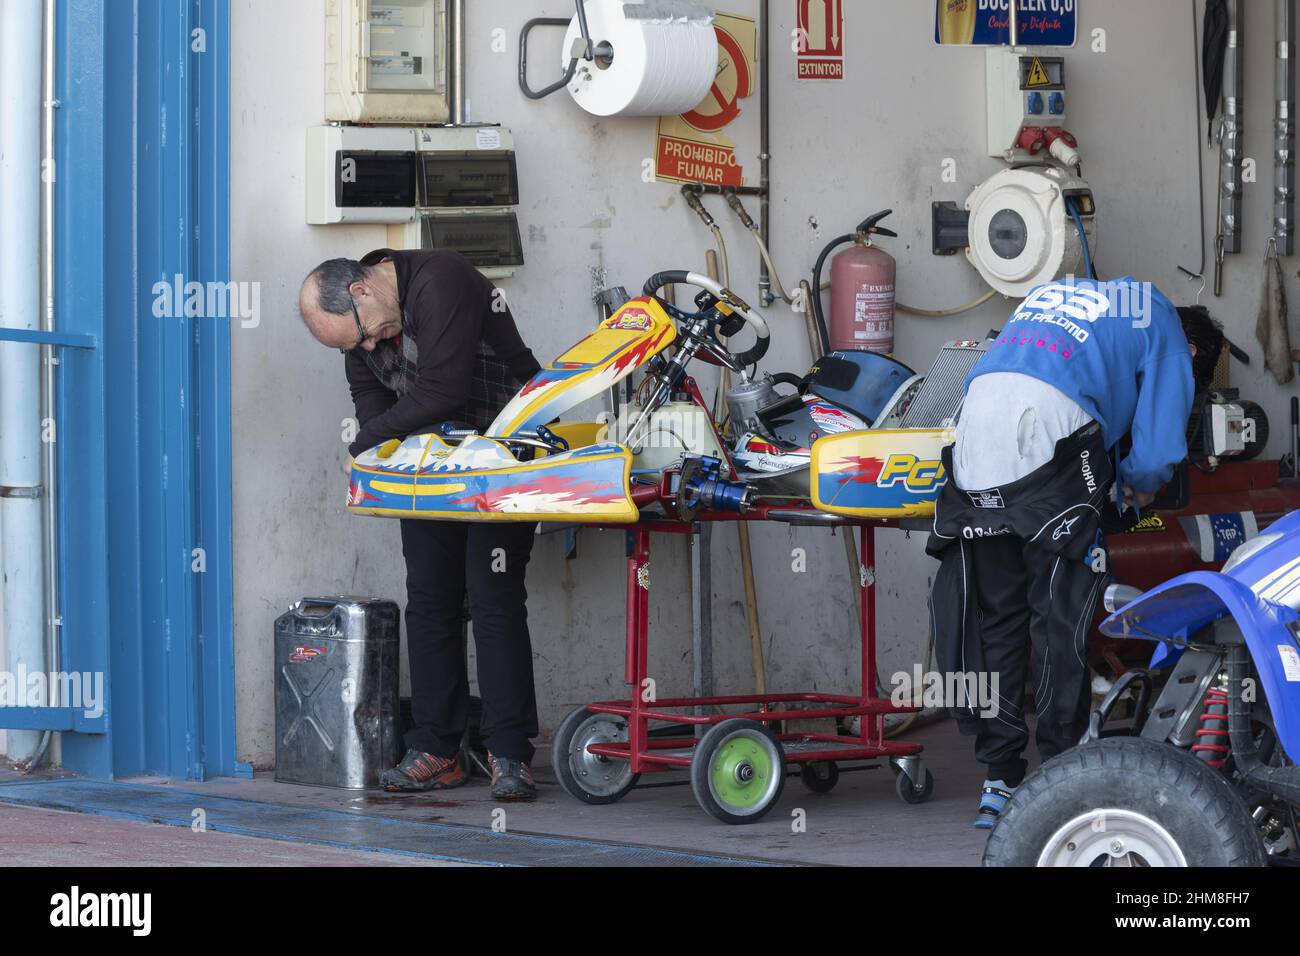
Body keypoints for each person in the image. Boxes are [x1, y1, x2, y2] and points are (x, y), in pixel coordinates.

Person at [925, 276, 1224, 828]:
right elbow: (1158, 451)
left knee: (997, 620)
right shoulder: (1157, 316)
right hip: (1048, 433)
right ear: (1193, 352)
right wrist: (1133, 491)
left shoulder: (1057, 294)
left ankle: (1000, 778)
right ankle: (1062, 772)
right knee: (1058, 614)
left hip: (972, 435)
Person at [299, 248, 544, 801]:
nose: (365, 348)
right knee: (430, 597)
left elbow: (443, 390)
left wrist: (364, 446)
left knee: (492, 595)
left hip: (505, 454)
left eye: (360, 337)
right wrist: (379, 447)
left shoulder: (441, 281)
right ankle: (437, 748)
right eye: (352, 347)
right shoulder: (358, 327)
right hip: (430, 463)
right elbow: (368, 397)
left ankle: (509, 753)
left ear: (361, 291)